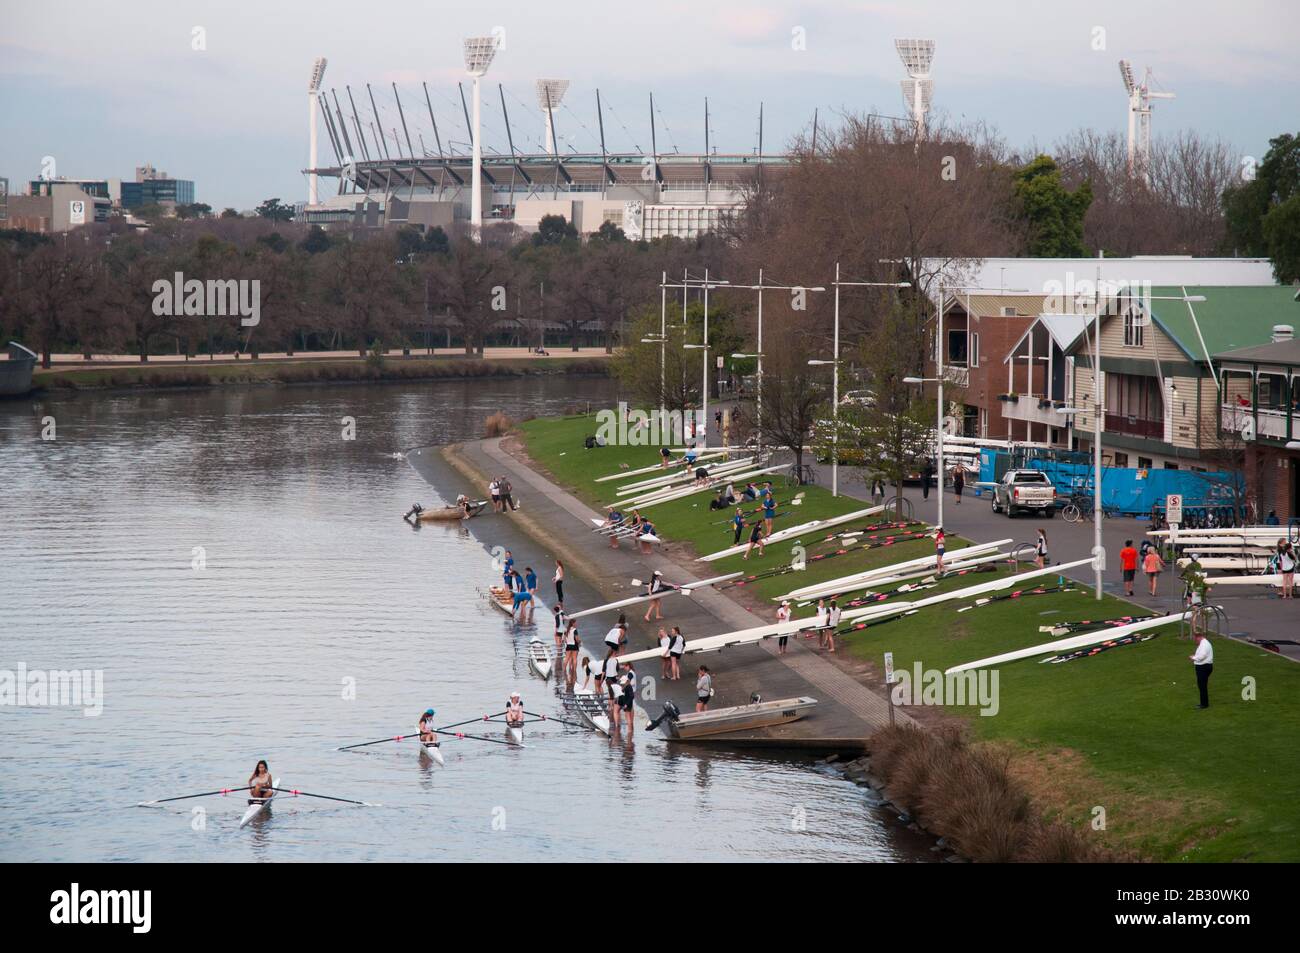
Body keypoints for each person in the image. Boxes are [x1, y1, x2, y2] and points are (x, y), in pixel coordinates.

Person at [1190, 632, 1213, 709]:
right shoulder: (1204, 643)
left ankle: (1204, 704)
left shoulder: (1204, 645)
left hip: (1203, 667)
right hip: (1204, 666)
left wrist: (1193, 658)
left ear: (1198, 637)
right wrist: (1195, 656)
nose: (1195, 641)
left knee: (1202, 686)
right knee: (1202, 685)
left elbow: (1202, 656)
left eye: (1195, 639)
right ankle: (1204, 703)